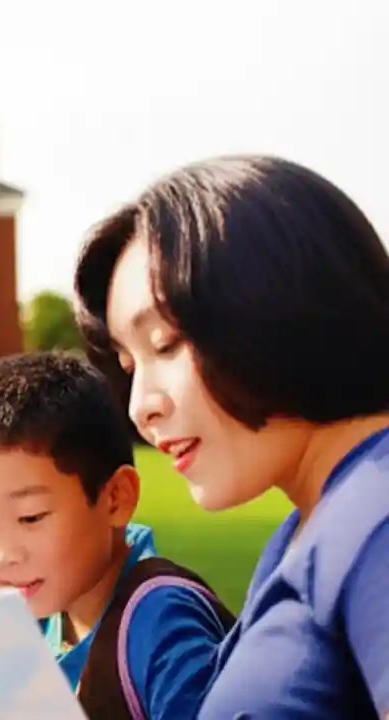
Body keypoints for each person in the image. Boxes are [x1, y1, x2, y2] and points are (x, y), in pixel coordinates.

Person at [72, 154, 389, 718]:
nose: (142, 408)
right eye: (128, 365)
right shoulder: (308, 527)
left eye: (165, 344)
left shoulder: (375, 519)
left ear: (277, 301)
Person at [0, 352, 235, 719]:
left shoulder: (160, 622)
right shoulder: (45, 620)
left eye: (30, 518)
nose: (3, 556)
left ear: (115, 498)